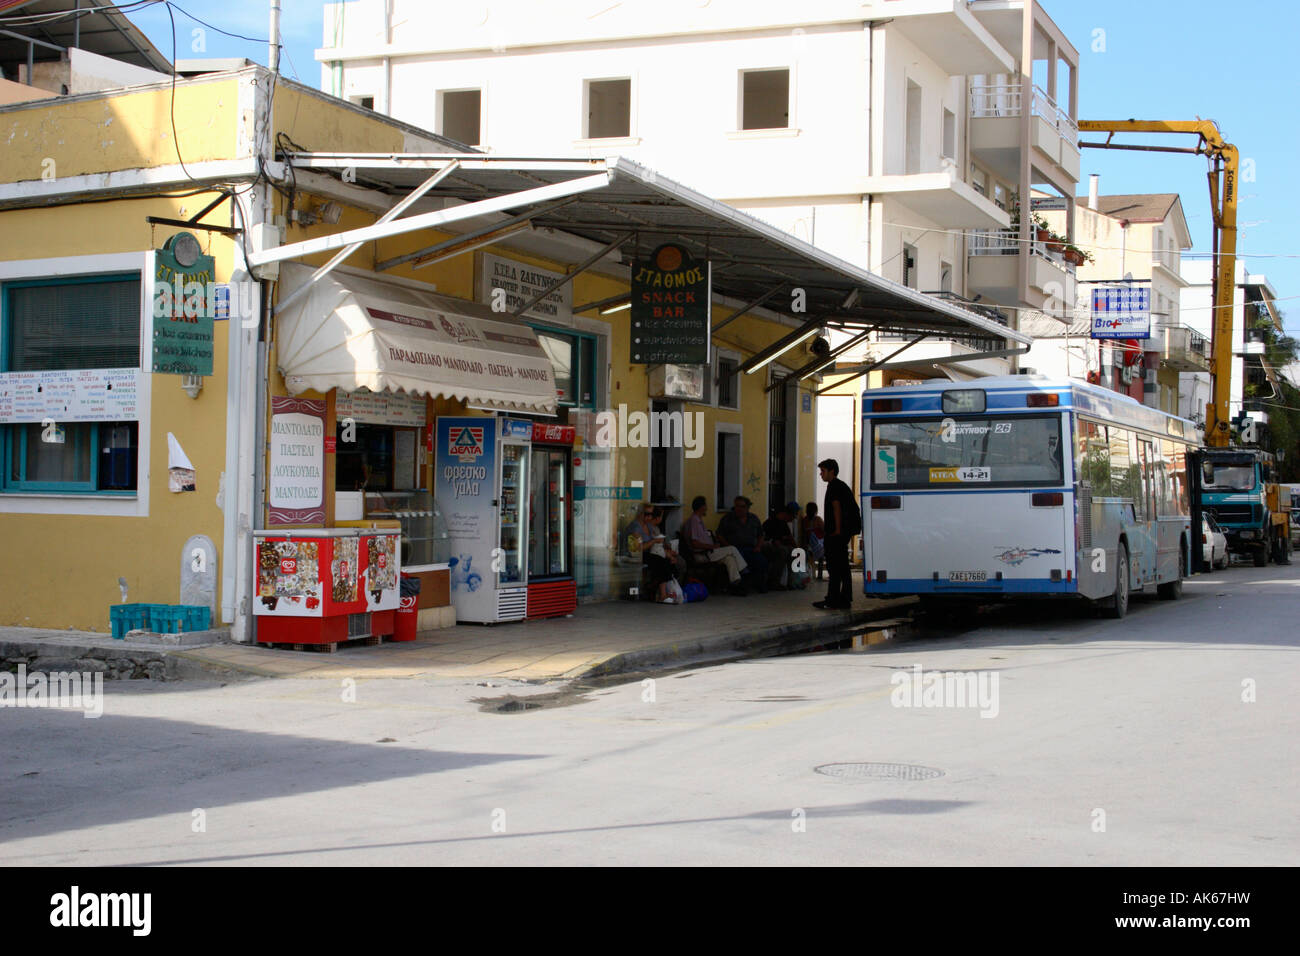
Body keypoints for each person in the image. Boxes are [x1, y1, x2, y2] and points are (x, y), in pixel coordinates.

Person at [814, 458, 861, 610]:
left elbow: (836, 508)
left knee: (834, 568)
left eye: (823, 471)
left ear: (831, 471)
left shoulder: (834, 487)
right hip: (843, 532)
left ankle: (832, 600)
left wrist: (837, 530)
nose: (821, 474)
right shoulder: (840, 486)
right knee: (843, 567)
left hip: (836, 534)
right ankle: (844, 598)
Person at [683, 495, 748, 593]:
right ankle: (744, 570)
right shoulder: (694, 521)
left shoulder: (698, 520)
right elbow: (695, 543)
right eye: (706, 505)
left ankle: (736, 583)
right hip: (705, 553)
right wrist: (712, 546)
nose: (707, 508)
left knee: (729, 559)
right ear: (702, 507)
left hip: (710, 551)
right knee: (732, 549)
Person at [716, 496, 770, 592]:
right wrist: (728, 546)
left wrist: (758, 546)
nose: (739, 509)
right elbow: (719, 534)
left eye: (742, 506)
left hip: (751, 548)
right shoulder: (728, 519)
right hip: (735, 549)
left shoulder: (753, 518)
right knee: (740, 562)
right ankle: (740, 586)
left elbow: (761, 535)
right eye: (737, 506)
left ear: (747, 507)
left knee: (762, 561)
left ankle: (760, 584)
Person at [762, 503, 805, 589]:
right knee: (783, 551)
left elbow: (790, 538)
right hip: (767, 545)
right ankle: (774, 582)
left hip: (779, 546)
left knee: (798, 552)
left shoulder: (784, 524)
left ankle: (794, 580)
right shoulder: (771, 522)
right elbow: (774, 541)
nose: (794, 518)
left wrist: (798, 550)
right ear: (787, 514)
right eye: (793, 516)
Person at [800, 502, 826, 581]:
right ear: (816, 510)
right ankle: (820, 576)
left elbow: (804, 534)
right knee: (822, 557)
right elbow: (825, 530)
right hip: (819, 544)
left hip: (810, 545)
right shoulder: (817, 519)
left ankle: (811, 575)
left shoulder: (804, 520)